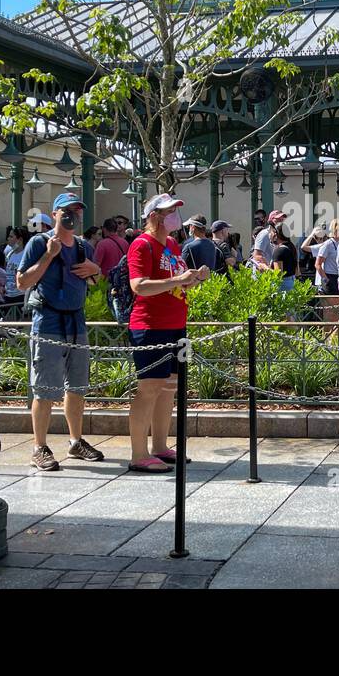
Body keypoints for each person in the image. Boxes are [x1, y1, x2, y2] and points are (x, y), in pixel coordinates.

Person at [16, 192, 105, 471]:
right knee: (44, 389)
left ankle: (75, 441)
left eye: (77, 210)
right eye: (66, 210)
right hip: (48, 322)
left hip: (76, 322)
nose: (72, 215)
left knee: (76, 387)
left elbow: (92, 280)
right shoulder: (38, 243)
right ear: (54, 213)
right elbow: (22, 282)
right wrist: (48, 256)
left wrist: (96, 270)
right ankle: (39, 447)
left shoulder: (82, 247)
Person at [126, 193, 210, 472]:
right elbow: (139, 286)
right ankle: (138, 454)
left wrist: (193, 279)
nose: (174, 215)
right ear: (154, 216)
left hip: (176, 324)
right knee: (148, 388)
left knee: (168, 388)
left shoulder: (173, 244)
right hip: (150, 326)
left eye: (175, 209)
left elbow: (177, 285)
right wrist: (177, 279)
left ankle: (159, 446)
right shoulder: (141, 245)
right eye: (169, 210)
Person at [3, 226, 30, 304]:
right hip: (8, 295)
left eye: (11, 236)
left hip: (21, 296)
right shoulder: (10, 254)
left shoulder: (26, 255)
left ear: (20, 239)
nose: (8, 238)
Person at [269, 224, 299, 293]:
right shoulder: (292, 246)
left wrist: (264, 267)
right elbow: (297, 271)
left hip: (282, 285)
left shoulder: (279, 251)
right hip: (291, 282)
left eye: (271, 232)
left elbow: (278, 274)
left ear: (276, 234)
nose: (270, 234)